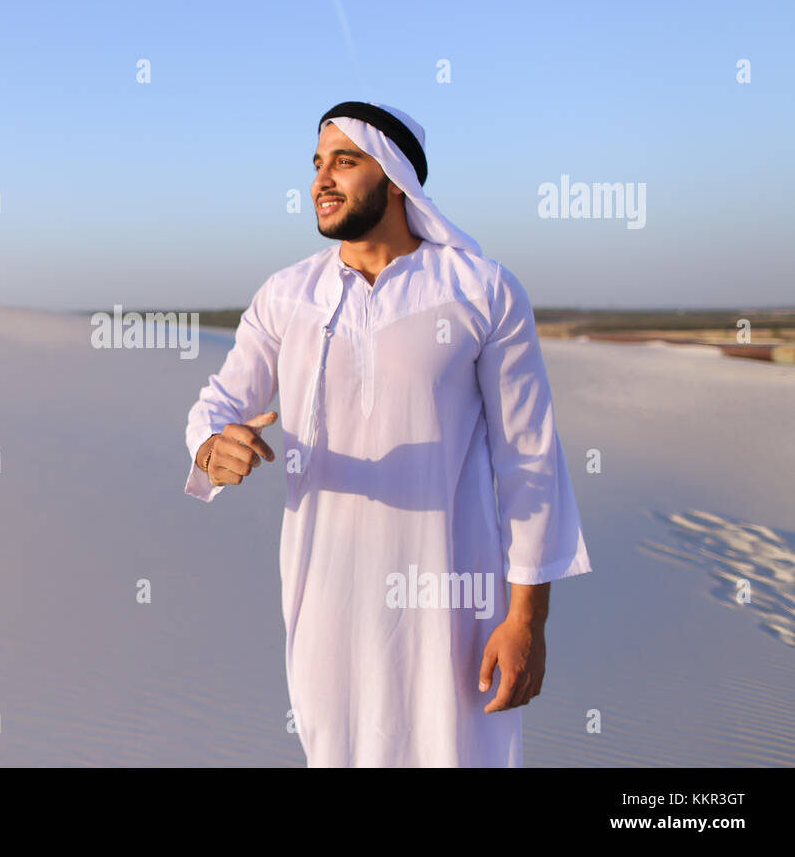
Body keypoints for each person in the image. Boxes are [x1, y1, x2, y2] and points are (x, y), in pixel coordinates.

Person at [183, 102, 592, 766]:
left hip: (455, 611)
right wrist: (211, 445)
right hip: (325, 605)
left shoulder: (482, 292)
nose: (322, 178)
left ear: (396, 176)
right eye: (317, 164)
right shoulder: (286, 296)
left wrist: (526, 623)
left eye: (344, 161)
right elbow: (220, 402)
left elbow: (530, 464)